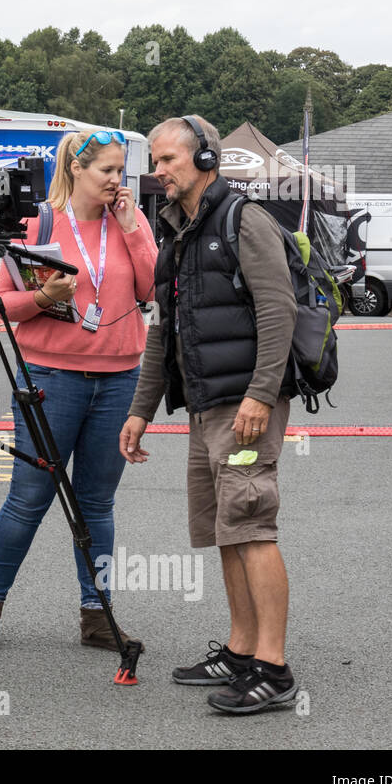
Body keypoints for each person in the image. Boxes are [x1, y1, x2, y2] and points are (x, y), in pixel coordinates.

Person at [119, 115, 299, 715]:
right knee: (226, 529)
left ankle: (273, 669)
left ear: (205, 160)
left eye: (168, 159)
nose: (157, 170)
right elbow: (162, 335)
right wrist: (141, 412)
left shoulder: (244, 220)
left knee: (250, 523)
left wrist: (260, 394)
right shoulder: (177, 232)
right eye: (155, 159)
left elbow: (279, 313)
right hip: (204, 405)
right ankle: (241, 648)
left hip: (245, 403)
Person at [0, 128, 157, 655]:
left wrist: (133, 230)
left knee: (97, 502)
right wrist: (42, 296)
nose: (117, 181)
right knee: (29, 498)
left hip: (120, 376)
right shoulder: (36, 223)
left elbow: (153, 289)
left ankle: (97, 615)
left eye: (121, 170)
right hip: (50, 376)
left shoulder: (130, 221)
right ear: (76, 168)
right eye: (107, 171)